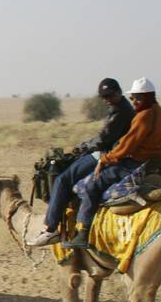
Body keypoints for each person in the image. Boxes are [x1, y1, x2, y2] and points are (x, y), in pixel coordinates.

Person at [67, 77, 161, 248]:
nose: (133, 101)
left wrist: (104, 160)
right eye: (132, 98)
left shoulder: (143, 117)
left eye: (137, 98)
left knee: (93, 184)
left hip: (137, 167)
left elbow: (126, 145)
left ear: (148, 97)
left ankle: (83, 233)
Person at [29, 78, 134, 246]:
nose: (106, 99)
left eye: (109, 95)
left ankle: (50, 229)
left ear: (119, 92)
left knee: (63, 178)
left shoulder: (120, 111)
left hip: (107, 154)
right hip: (112, 151)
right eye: (103, 97)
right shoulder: (120, 107)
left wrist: (84, 147)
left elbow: (103, 139)